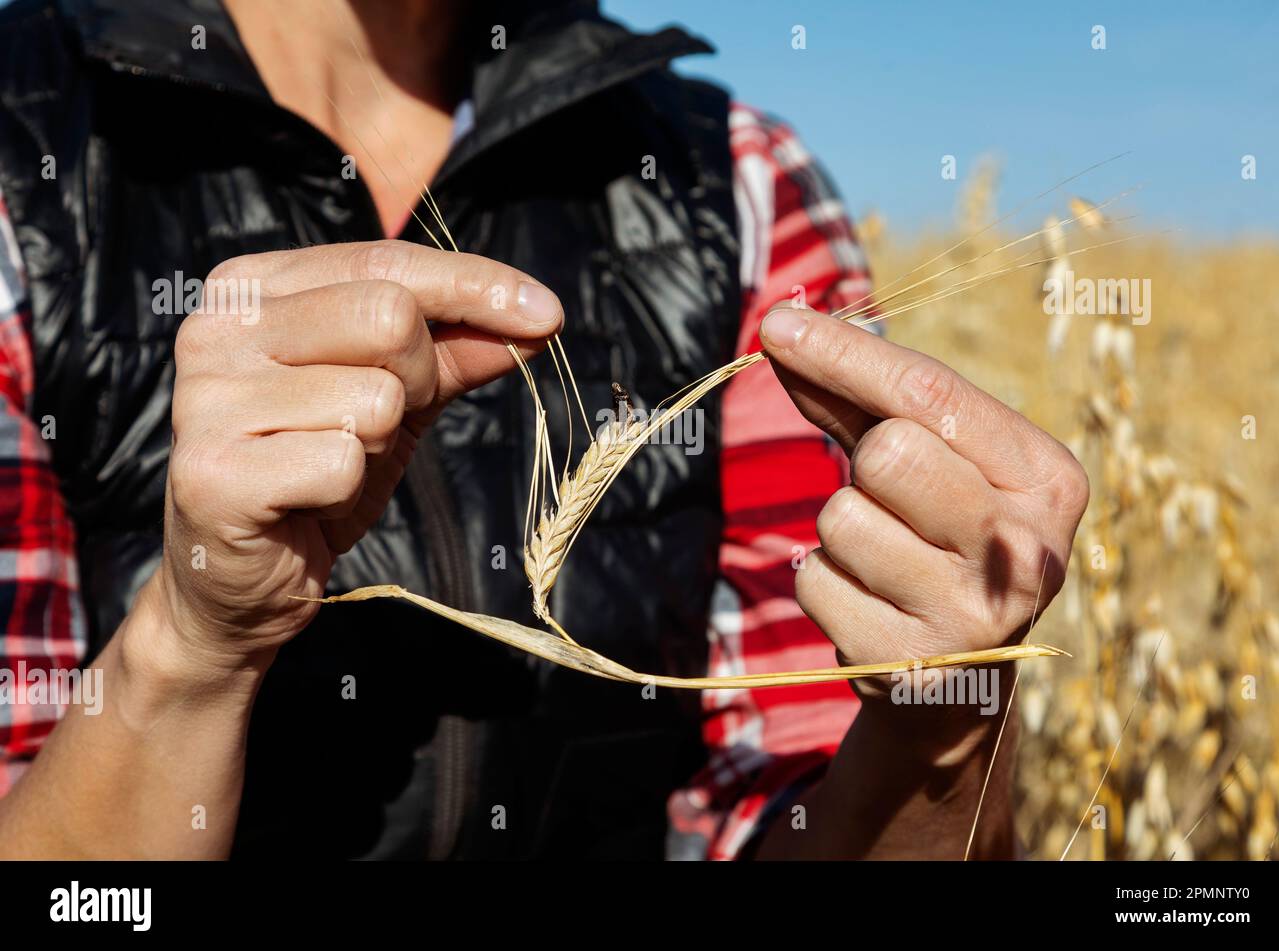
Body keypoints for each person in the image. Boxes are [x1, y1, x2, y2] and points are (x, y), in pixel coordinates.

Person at [0, 0, 1088, 860]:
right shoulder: (24, 152)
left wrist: (941, 727)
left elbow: (803, 806)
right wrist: (188, 648)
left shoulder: (738, 181)